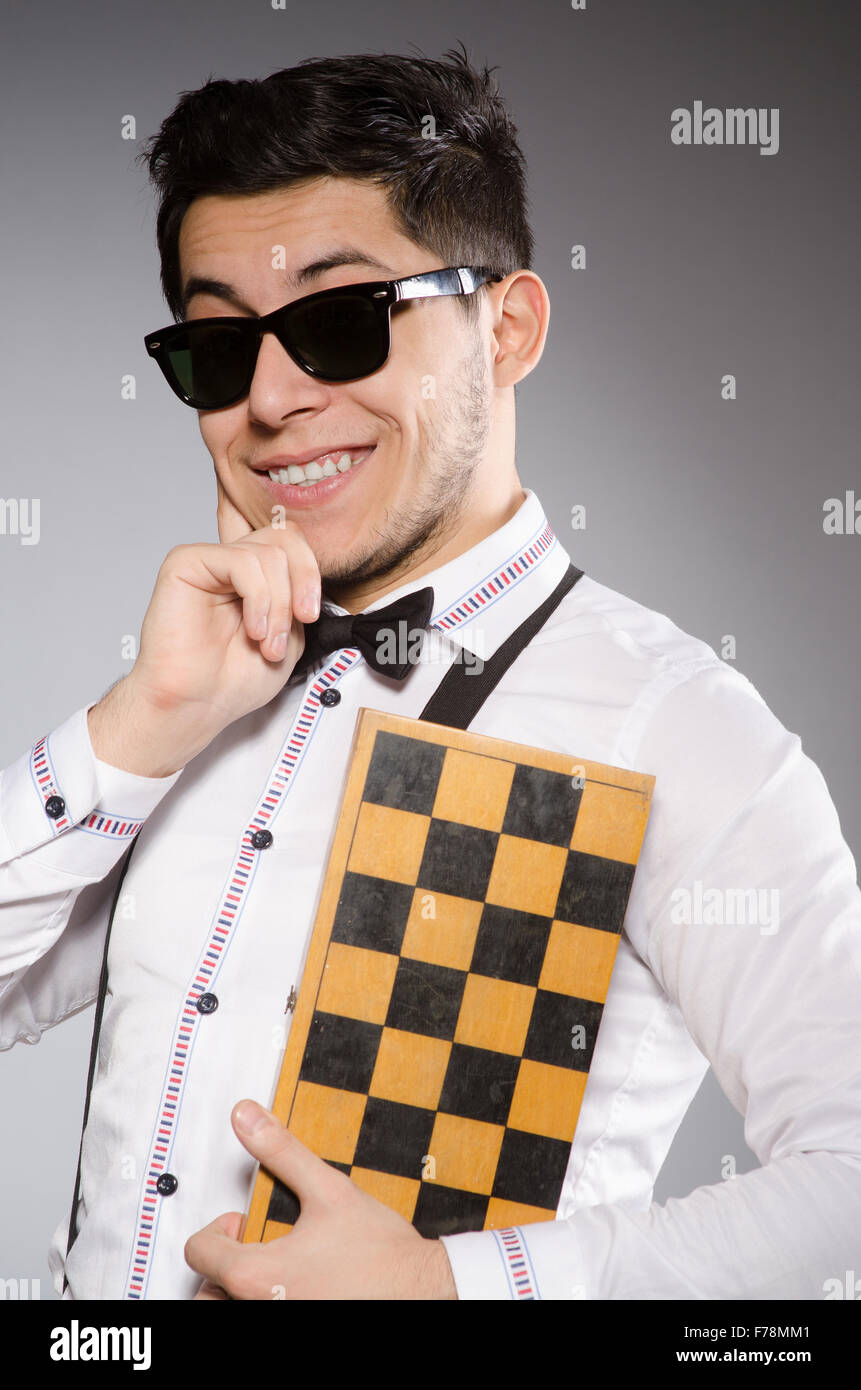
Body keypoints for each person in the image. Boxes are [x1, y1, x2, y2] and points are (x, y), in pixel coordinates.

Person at [2, 46, 859, 1303]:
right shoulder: (196, 697)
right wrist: (141, 724)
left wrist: (463, 1288)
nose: (272, 401)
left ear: (506, 329)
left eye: (341, 323)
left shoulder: (673, 726)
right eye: (220, 347)